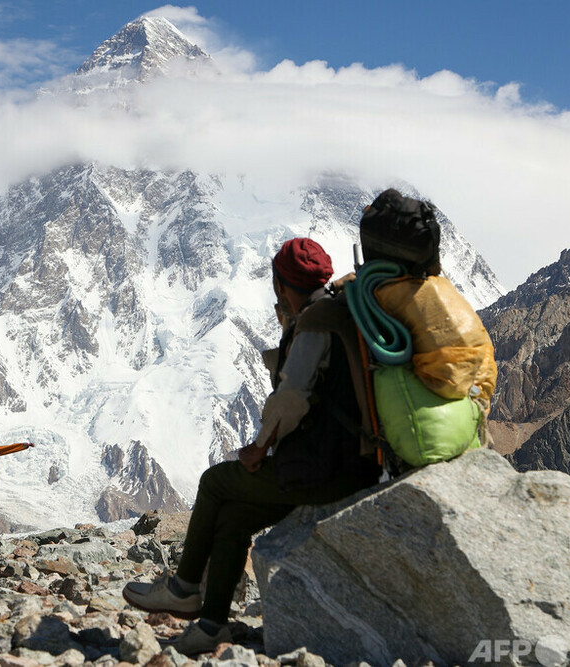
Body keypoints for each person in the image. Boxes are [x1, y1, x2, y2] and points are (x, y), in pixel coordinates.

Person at [122, 237, 381, 655]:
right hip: (356, 464)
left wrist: (259, 448)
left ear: (282, 284)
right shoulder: (343, 311)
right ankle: (210, 626)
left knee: (215, 482)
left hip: (325, 472)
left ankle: (184, 587)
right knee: (236, 516)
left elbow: (291, 399)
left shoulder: (316, 322)